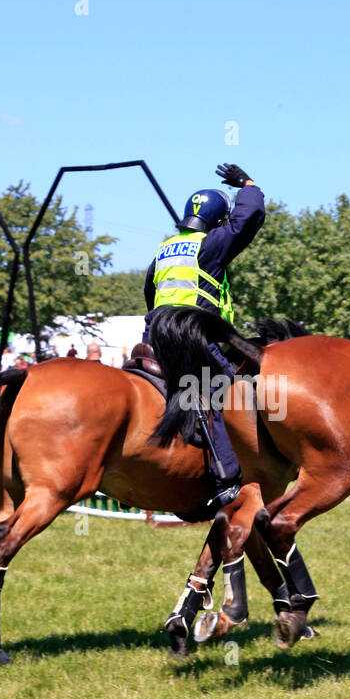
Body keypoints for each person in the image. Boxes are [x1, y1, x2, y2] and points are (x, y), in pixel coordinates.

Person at [144, 162, 265, 508]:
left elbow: (149, 293)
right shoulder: (209, 246)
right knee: (227, 392)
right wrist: (247, 184)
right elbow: (251, 216)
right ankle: (226, 479)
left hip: (156, 333)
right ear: (216, 222)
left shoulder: (163, 251)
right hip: (191, 335)